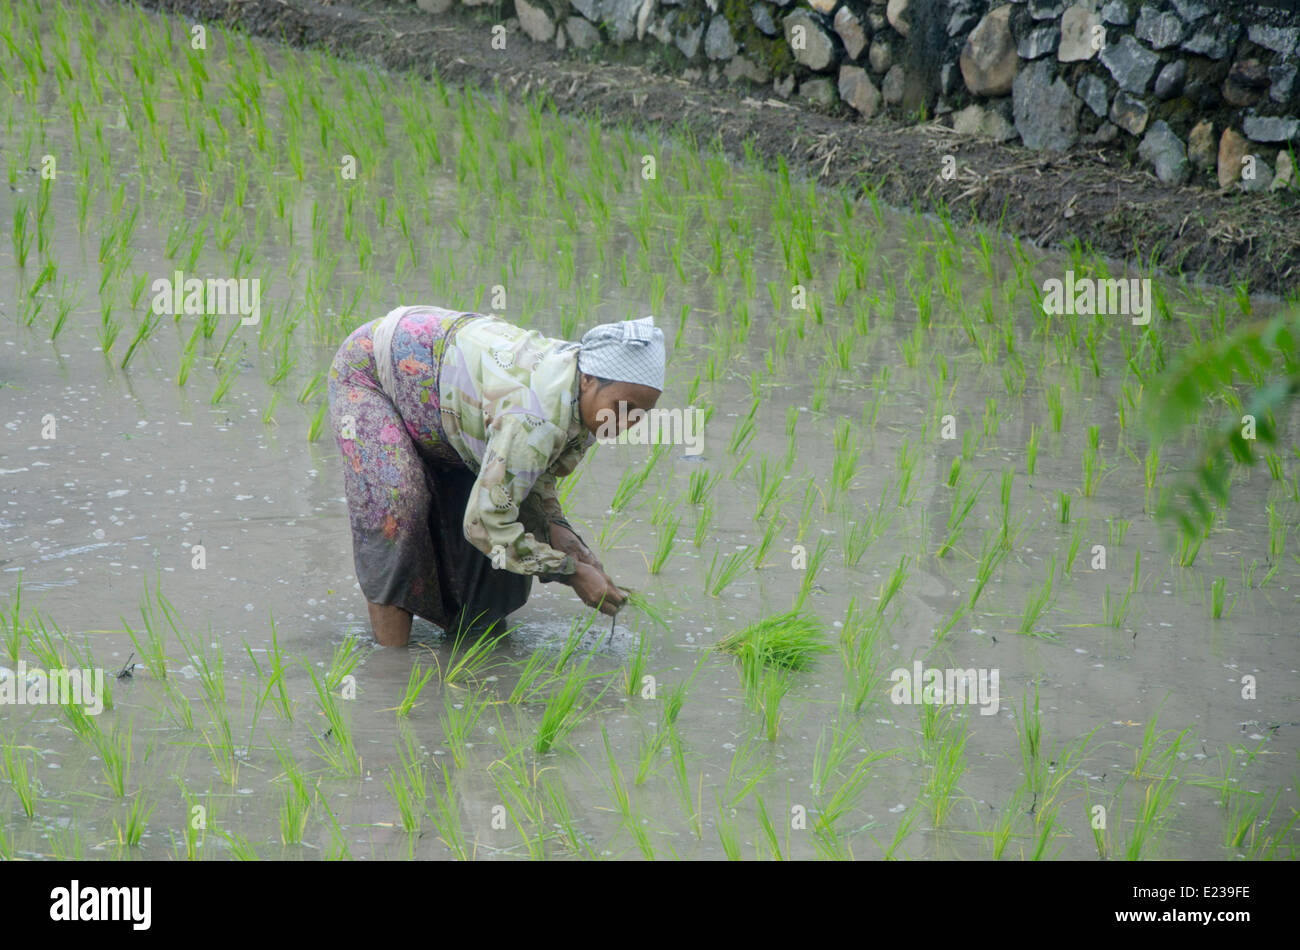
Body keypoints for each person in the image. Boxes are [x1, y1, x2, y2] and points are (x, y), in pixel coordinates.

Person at [326, 306, 664, 647]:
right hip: (372, 373)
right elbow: (485, 524)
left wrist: (572, 545)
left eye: (641, 414)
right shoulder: (536, 414)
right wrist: (571, 573)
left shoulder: (589, 406)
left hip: (449, 406)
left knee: (504, 519)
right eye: (624, 406)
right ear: (589, 379)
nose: (627, 421)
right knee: (400, 505)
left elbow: (532, 481)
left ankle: (468, 653)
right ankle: (392, 673)